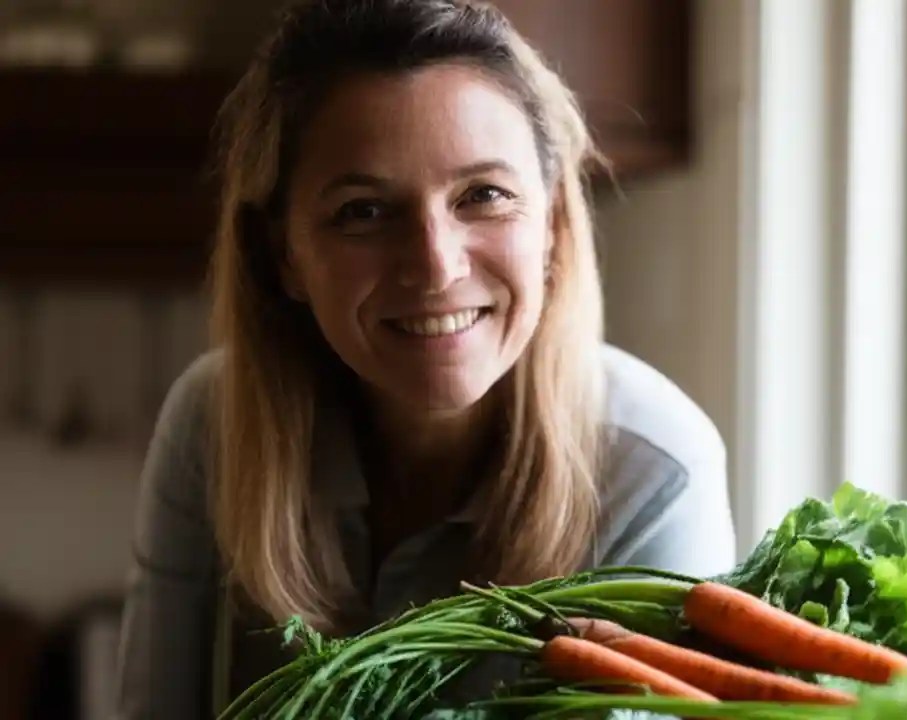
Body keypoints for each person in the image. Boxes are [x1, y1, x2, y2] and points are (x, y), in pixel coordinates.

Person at [112, 0, 737, 716]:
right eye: (364, 211)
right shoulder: (211, 427)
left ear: (555, 226)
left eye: (484, 195)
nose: (435, 266)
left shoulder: (651, 468)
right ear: (281, 254)